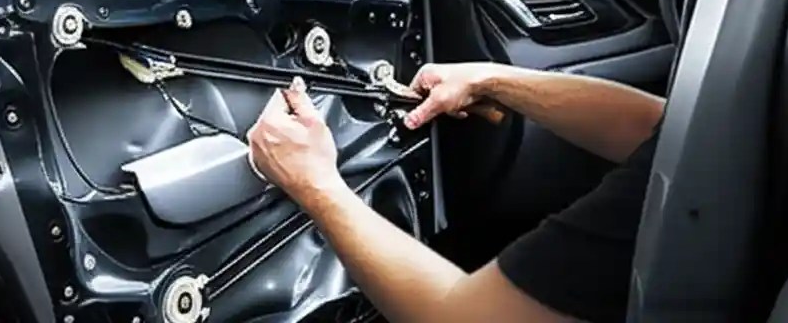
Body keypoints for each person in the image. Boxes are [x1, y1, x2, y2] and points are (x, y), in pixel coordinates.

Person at [246, 61, 665, 323]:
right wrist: (490, 79)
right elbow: (660, 125)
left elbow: (466, 317)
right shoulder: (716, 143)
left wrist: (315, 183)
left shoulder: (694, 195)